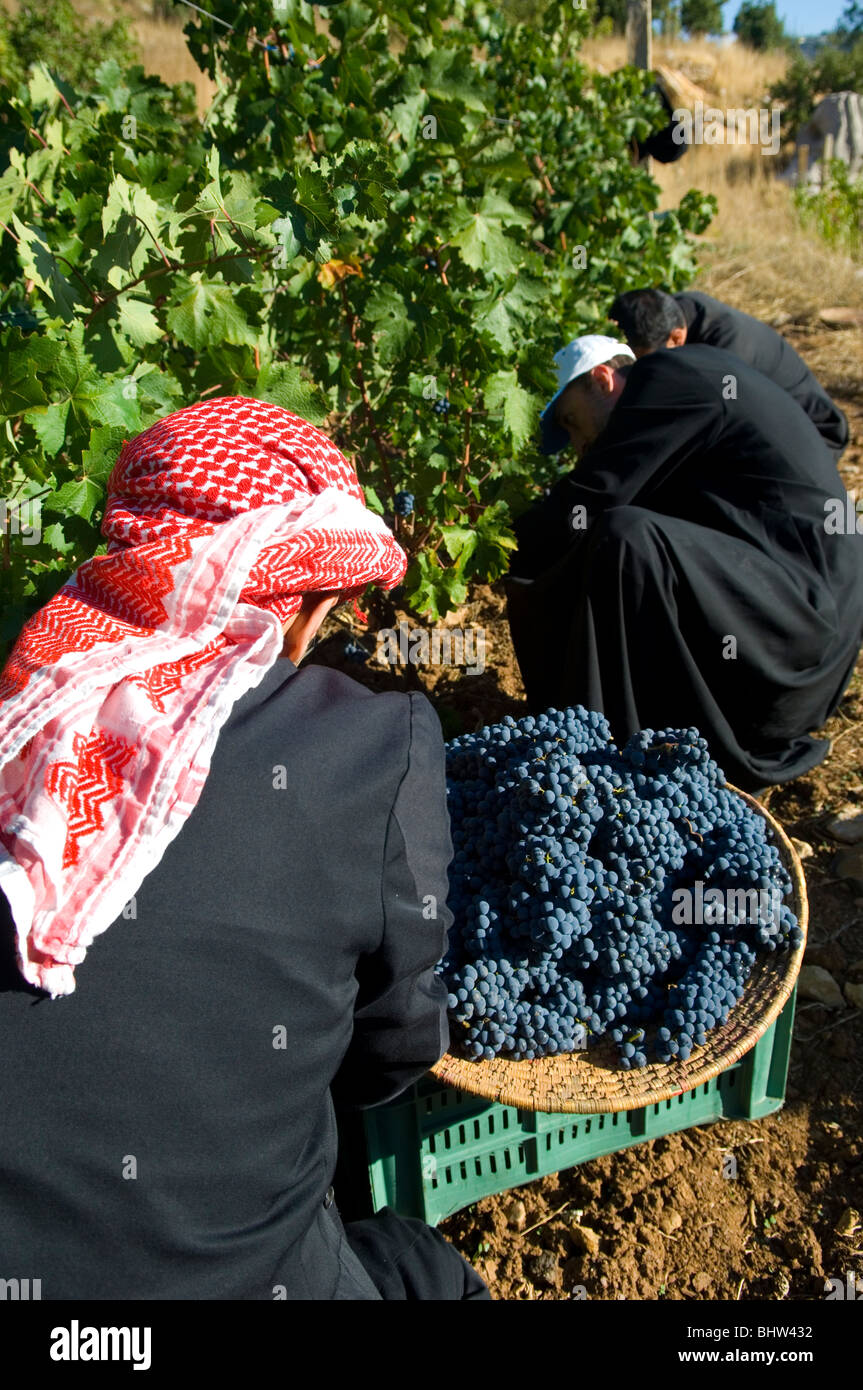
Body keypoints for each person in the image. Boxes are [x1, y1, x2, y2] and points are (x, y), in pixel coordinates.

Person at [0, 395, 489, 1302]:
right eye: (331, 613)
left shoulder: (26, 712)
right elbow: (394, 1047)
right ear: (296, 602)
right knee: (427, 1273)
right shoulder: (372, 750)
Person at [506, 335, 863, 791]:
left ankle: (602, 769)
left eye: (573, 422)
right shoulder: (683, 408)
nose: (579, 445)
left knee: (625, 537)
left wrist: (490, 546)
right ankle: (609, 737)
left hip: (806, 627)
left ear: (603, 380)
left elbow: (598, 495)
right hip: (790, 629)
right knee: (619, 539)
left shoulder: (668, 376)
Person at [609, 287, 849, 459]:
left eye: (648, 363)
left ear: (676, 338)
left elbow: (724, 425)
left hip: (817, 437)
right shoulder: (667, 314)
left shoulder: (728, 354)